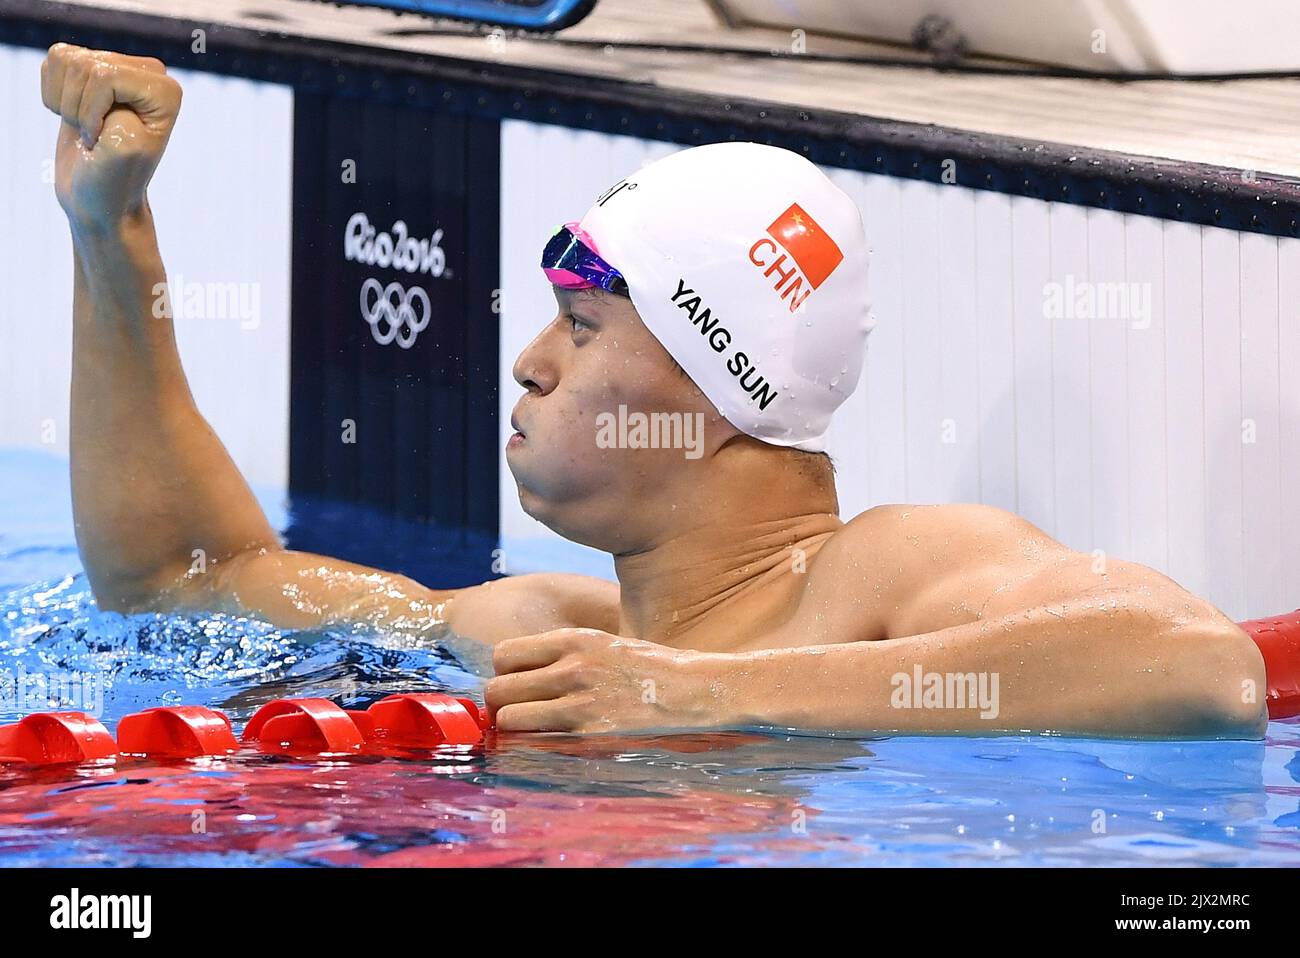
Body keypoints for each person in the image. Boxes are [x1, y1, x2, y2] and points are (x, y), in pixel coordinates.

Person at [39, 42, 1266, 738]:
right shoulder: (540, 630)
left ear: (722, 388)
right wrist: (113, 235)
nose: (530, 360)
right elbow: (176, 580)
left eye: (581, 325)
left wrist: (701, 695)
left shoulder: (881, 575)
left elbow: (1200, 664)